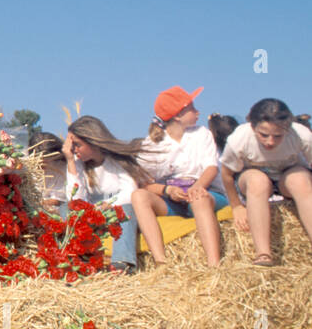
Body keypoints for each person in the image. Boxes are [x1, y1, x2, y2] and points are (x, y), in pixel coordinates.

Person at [130, 86, 227, 267]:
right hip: (174, 199)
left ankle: (214, 265)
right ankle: (160, 261)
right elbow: (143, 183)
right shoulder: (152, 144)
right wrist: (168, 190)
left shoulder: (201, 134)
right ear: (178, 115)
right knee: (138, 196)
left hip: (207, 193)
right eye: (191, 108)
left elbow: (211, 168)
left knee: (199, 199)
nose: (197, 111)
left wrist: (197, 187)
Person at [219, 98, 312, 266]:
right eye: (264, 135)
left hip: (287, 177)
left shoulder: (302, 136)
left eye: (278, 136)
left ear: (288, 129)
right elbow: (226, 174)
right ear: (253, 127)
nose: (270, 141)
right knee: (258, 182)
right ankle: (263, 253)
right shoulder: (239, 139)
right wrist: (236, 206)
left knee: (300, 180)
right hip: (252, 177)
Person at [63, 116, 153, 272]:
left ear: (92, 141)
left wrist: (109, 204)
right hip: (92, 215)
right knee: (65, 208)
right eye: (72, 146)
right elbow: (76, 199)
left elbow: (130, 190)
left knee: (126, 211)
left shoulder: (117, 160)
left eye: (77, 145)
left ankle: (122, 263)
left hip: (115, 210)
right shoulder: (78, 163)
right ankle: (71, 260)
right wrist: (70, 161)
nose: (75, 150)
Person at [27, 130, 68, 208]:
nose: (42, 164)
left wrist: (34, 203)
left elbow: (56, 199)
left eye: (47, 160)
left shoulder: (61, 168)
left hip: (49, 210)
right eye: (37, 161)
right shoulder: (24, 165)